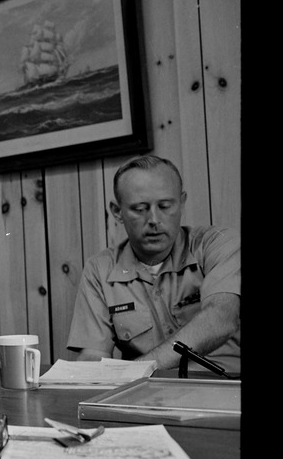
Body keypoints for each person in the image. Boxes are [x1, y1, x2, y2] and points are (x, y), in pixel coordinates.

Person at [67, 154, 240, 373]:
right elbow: (93, 354)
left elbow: (220, 319)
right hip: (145, 395)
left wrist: (134, 371)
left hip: (223, 391)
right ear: (117, 212)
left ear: (182, 202)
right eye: (140, 209)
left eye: (165, 206)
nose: (155, 220)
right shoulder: (99, 270)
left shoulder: (218, 244)